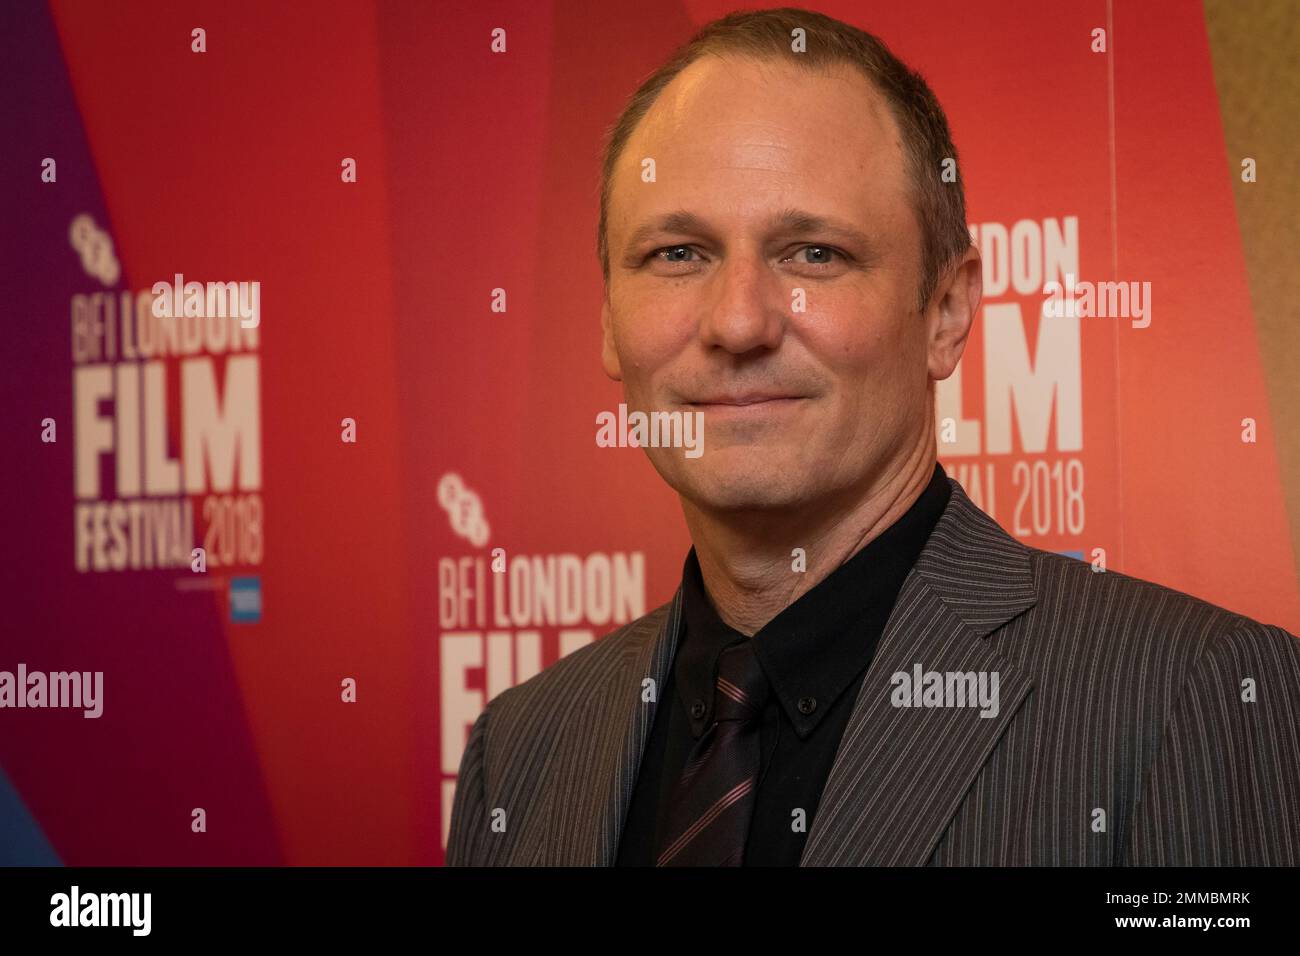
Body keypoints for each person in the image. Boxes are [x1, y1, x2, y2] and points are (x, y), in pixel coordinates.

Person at [446, 7, 1300, 866]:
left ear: (948, 311)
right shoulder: (519, 752)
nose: (738, 321)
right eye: (677, 254)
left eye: (814, 253)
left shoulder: (1203, 696)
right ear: (606, 320)